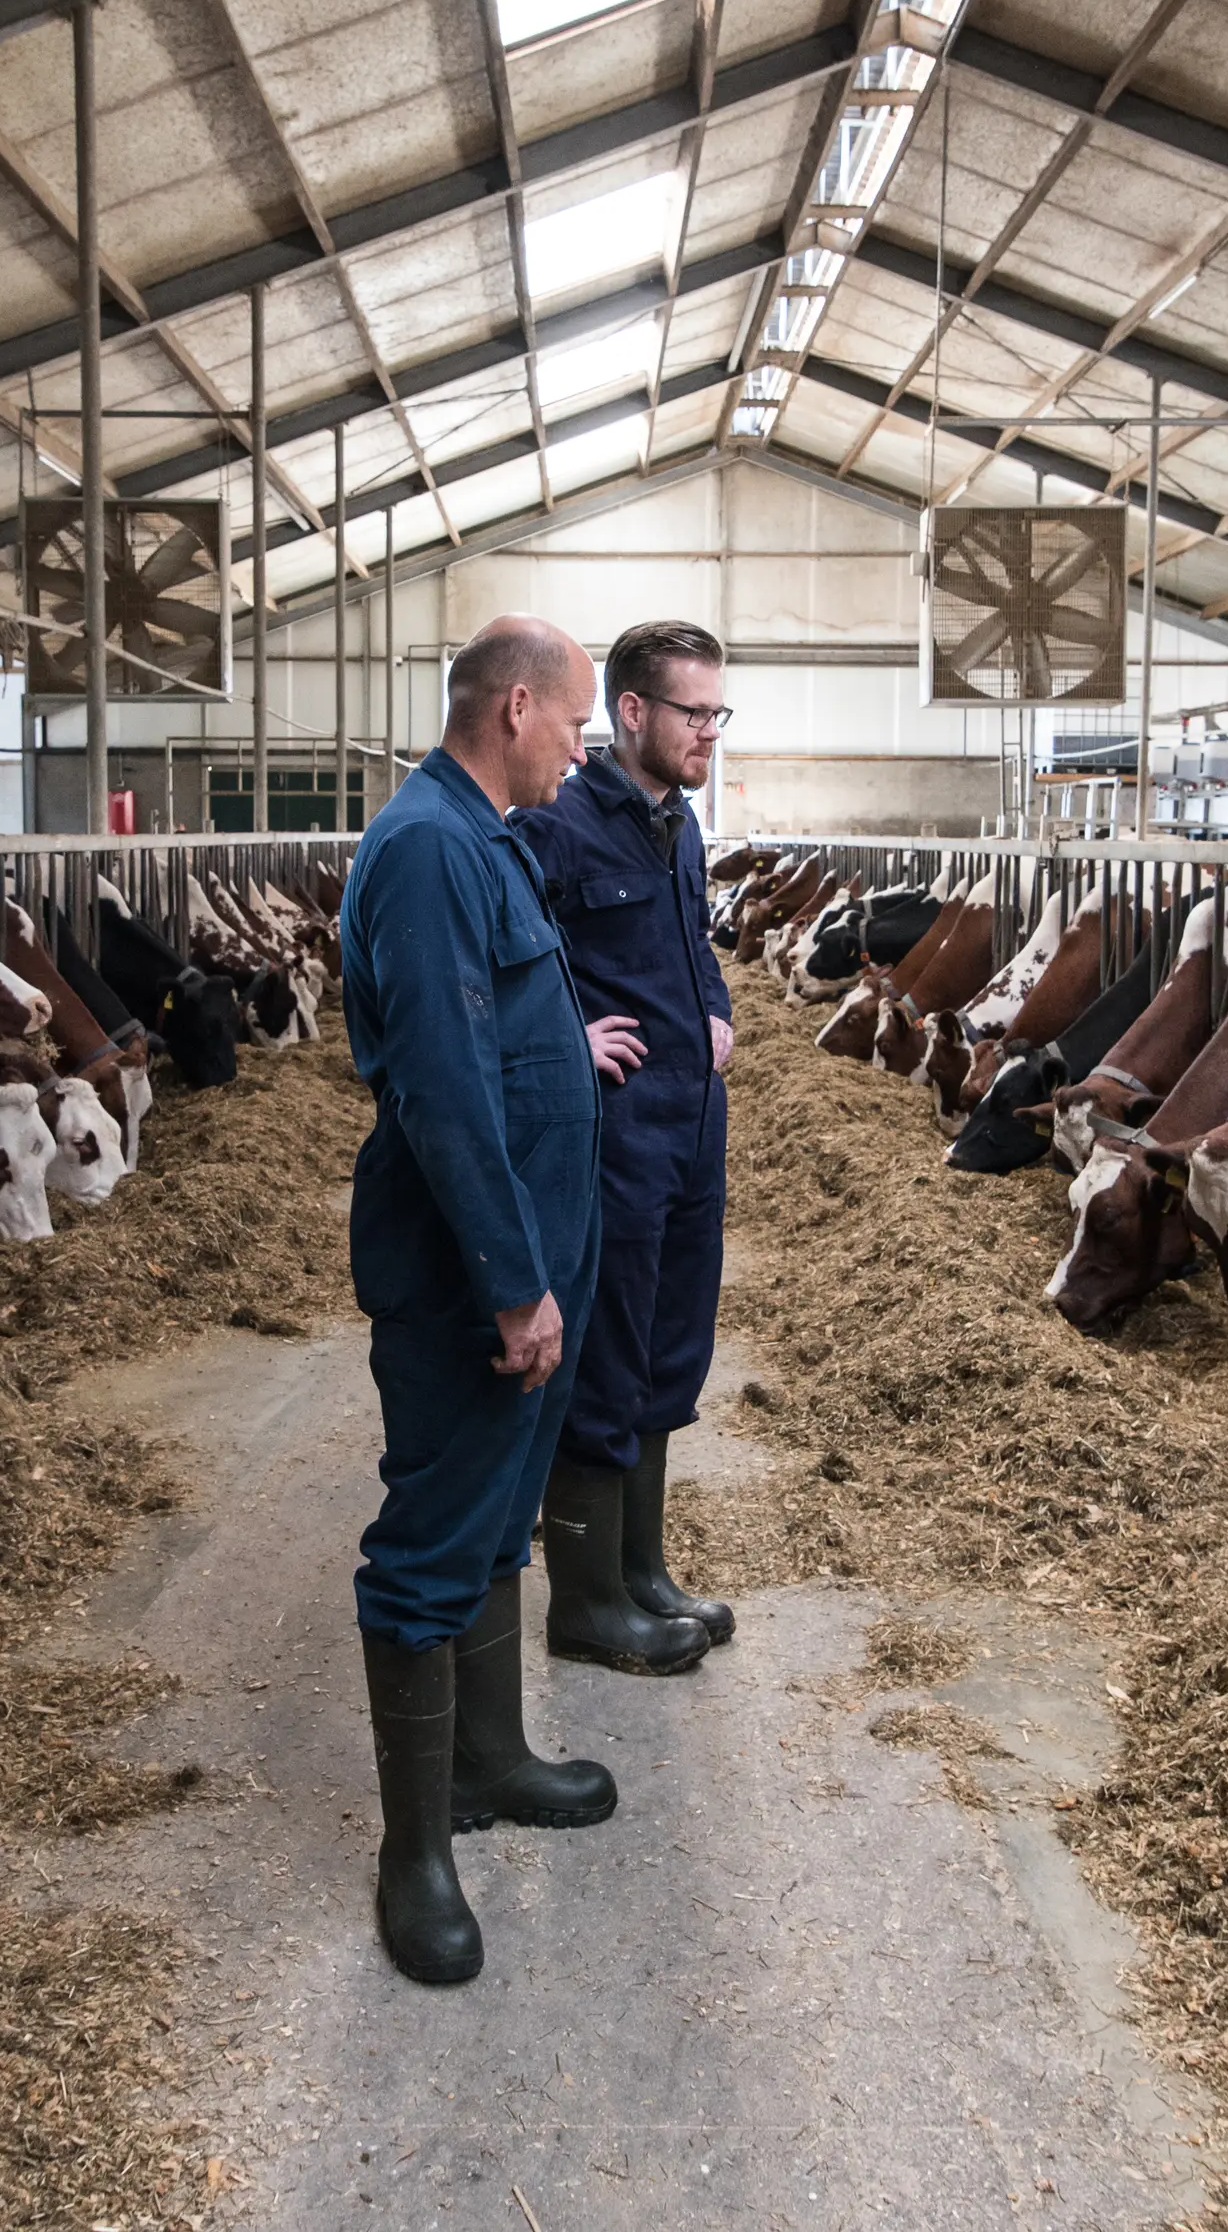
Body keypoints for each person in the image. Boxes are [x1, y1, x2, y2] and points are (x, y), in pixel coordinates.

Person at [334, 614, 648, 1987]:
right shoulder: (427, 847)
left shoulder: (486, 840)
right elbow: (443, 1089)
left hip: (535, 1250)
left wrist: (561, 1046)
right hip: (473, 1271)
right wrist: (516, 1284)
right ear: (513, 706)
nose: (582, 748)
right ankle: (415, 1853)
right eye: (576, 722)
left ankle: (491, 1755)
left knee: (495, 1517)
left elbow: (491, 1028)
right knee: (431, 1532)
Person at [510, 620, 735, 1675]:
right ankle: (587, 1601)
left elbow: (693, 947)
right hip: (617, 1139)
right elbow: (500, 951)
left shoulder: (679, 825)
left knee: (667, 1351)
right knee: (605, 1356)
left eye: (718, 714)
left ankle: (642, 1570)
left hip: (693, 1128)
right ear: (633, 712)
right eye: (696, 713)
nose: (710, 733)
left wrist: (719, 1008)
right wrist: (562, 1037)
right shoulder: (560, 822)